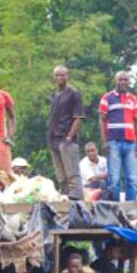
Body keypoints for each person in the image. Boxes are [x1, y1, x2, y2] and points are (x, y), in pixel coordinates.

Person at [98, 71, 137, 201]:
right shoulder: (107, 97)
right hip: (113, 142)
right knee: (114, 179)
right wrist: (104, 141)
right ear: (116, 81)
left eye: (125, 80)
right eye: (120, 79)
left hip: (131, 142)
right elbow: (101, 119)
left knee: (132, 179)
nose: (123, 82)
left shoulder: (133, 99)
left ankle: (131, 208)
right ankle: (115, 209)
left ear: (128, 82)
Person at [46, 65, 85, 200]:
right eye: (57, 75)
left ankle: (77, 202)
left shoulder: (73, 93)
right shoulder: (56, 94)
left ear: (68, 76)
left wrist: (69, 137)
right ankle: (64, 199)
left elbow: (79, 117)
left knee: (72, 173)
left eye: (62, 75)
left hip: (67, 138)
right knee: (60, 176)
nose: (60, 78)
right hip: (54, 139)